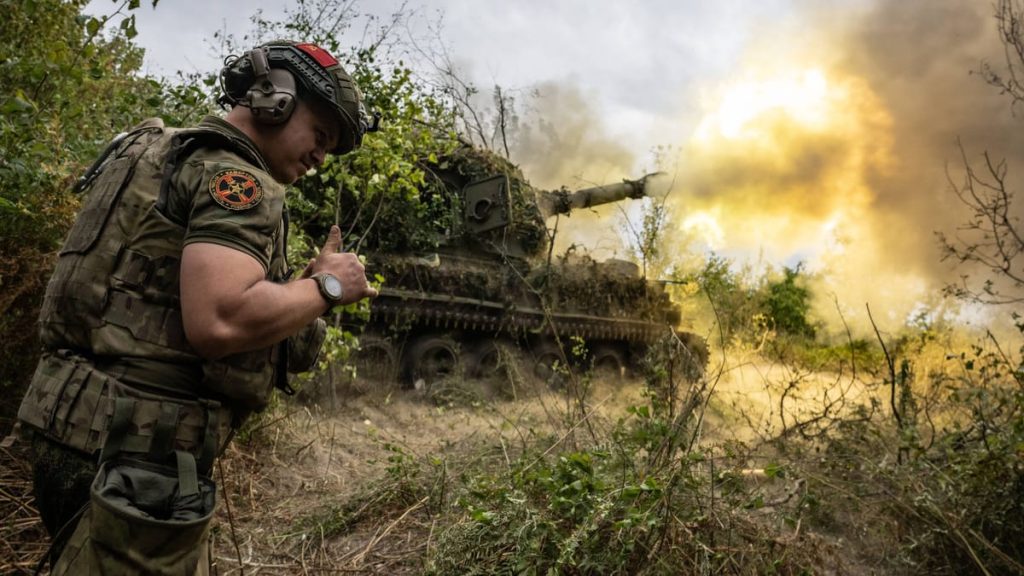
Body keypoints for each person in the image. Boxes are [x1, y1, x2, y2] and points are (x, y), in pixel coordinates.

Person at [14, 40, 377, 573]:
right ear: (274, 98)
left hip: (68, 429)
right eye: (320, 135)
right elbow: (219, 320)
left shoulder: (151, 151)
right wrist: (326, 289)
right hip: (137, 456)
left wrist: (296, 291)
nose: (321, 156)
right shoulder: (238, 181)